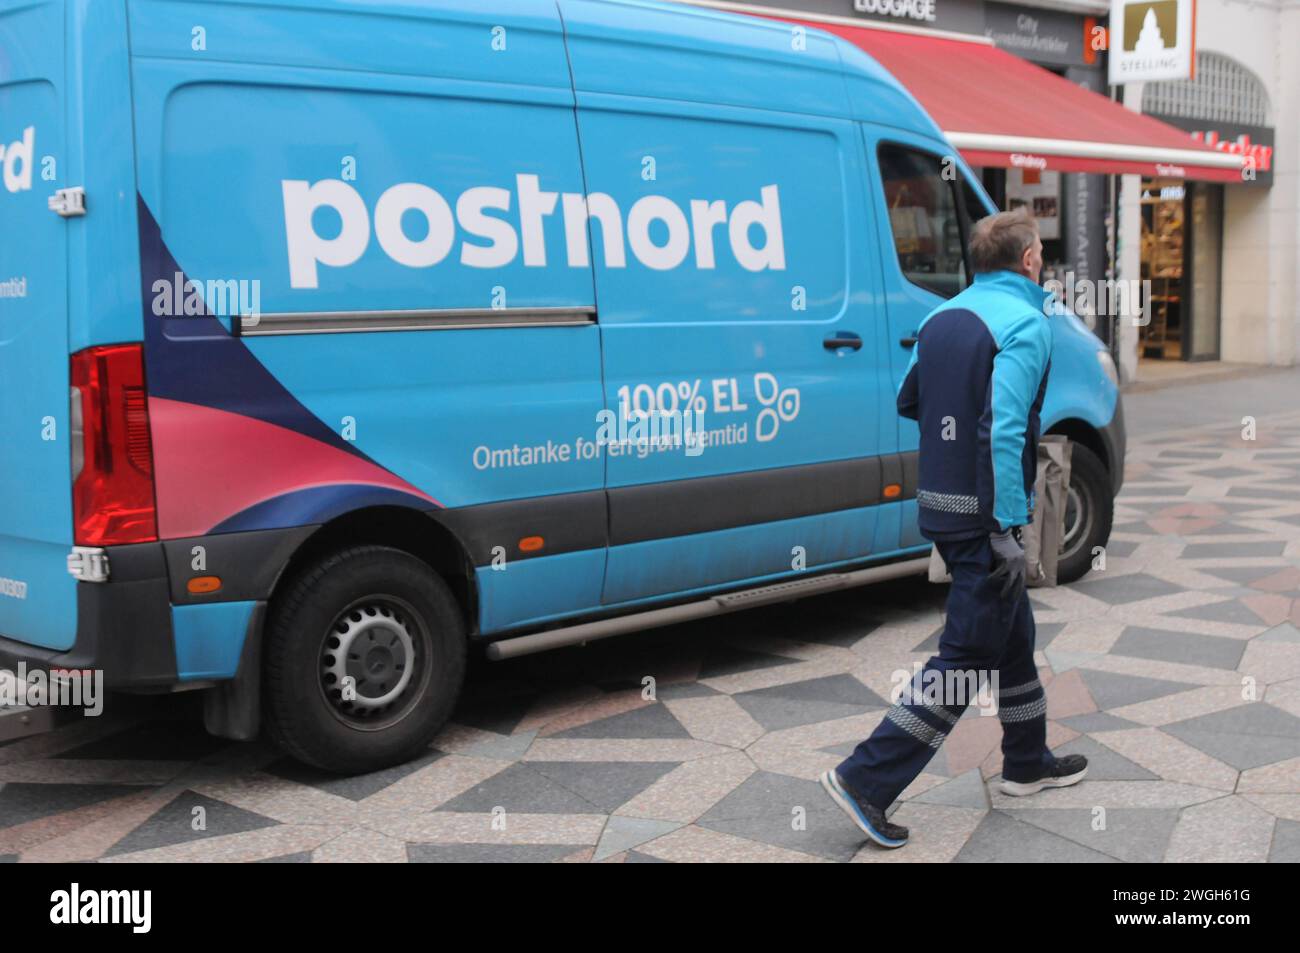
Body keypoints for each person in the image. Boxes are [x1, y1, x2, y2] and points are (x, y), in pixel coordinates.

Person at [820, 207, 1087, 849]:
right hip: (986, 515)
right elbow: (1001, 424)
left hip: (940, 504)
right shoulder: (1027, 320)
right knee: (966, 656)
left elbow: (910, 399)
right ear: (1028, 260)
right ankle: (866, 781)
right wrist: (1005, 524)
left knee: (1011, 629)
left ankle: (1027, 762)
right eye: (1040, 256)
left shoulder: (942, 316)